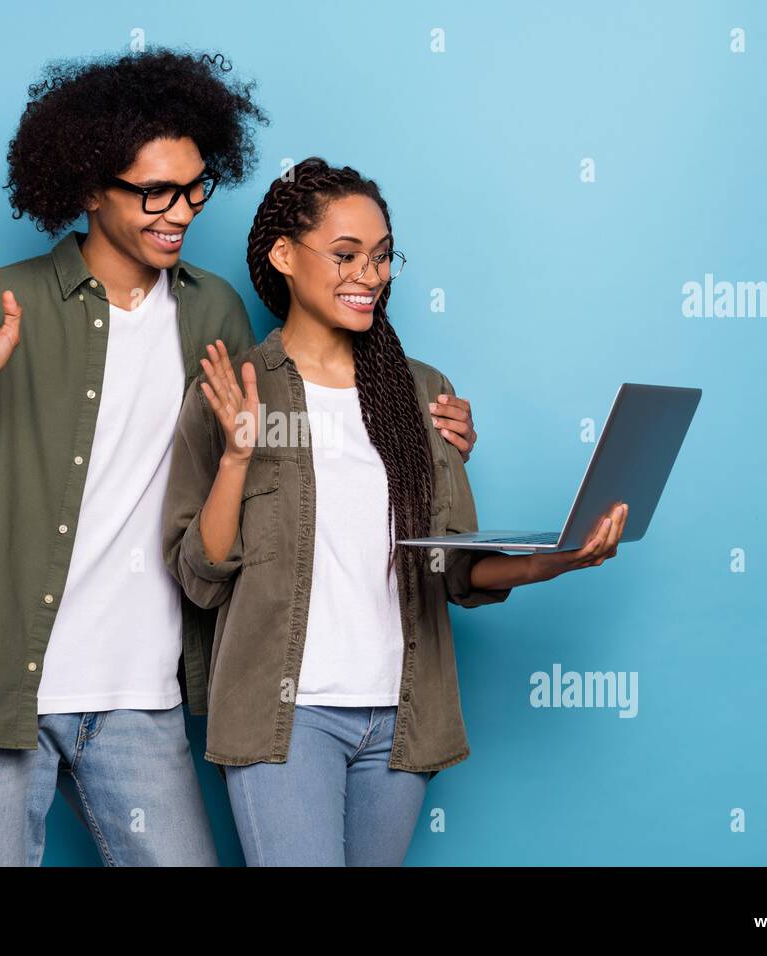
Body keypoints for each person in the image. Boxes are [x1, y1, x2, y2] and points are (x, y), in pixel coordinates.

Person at [0, 51, 479, 867]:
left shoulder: (214, 311)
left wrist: (422, 429)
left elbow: (277, 459)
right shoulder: (3, 306)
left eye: (196, 188)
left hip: (142, 704)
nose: (181, 212)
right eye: (155, 191)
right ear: (89, 188)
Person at [163, 158, 628, 866]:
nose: (370, 275)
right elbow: (199, 577)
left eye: (382, 257)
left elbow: (457, 572)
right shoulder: (235, 392)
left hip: (400, 720)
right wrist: (235, 457)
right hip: (285, 718)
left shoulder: (424, 394)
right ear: (284, 256)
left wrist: (563, 557)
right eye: (346, 255)